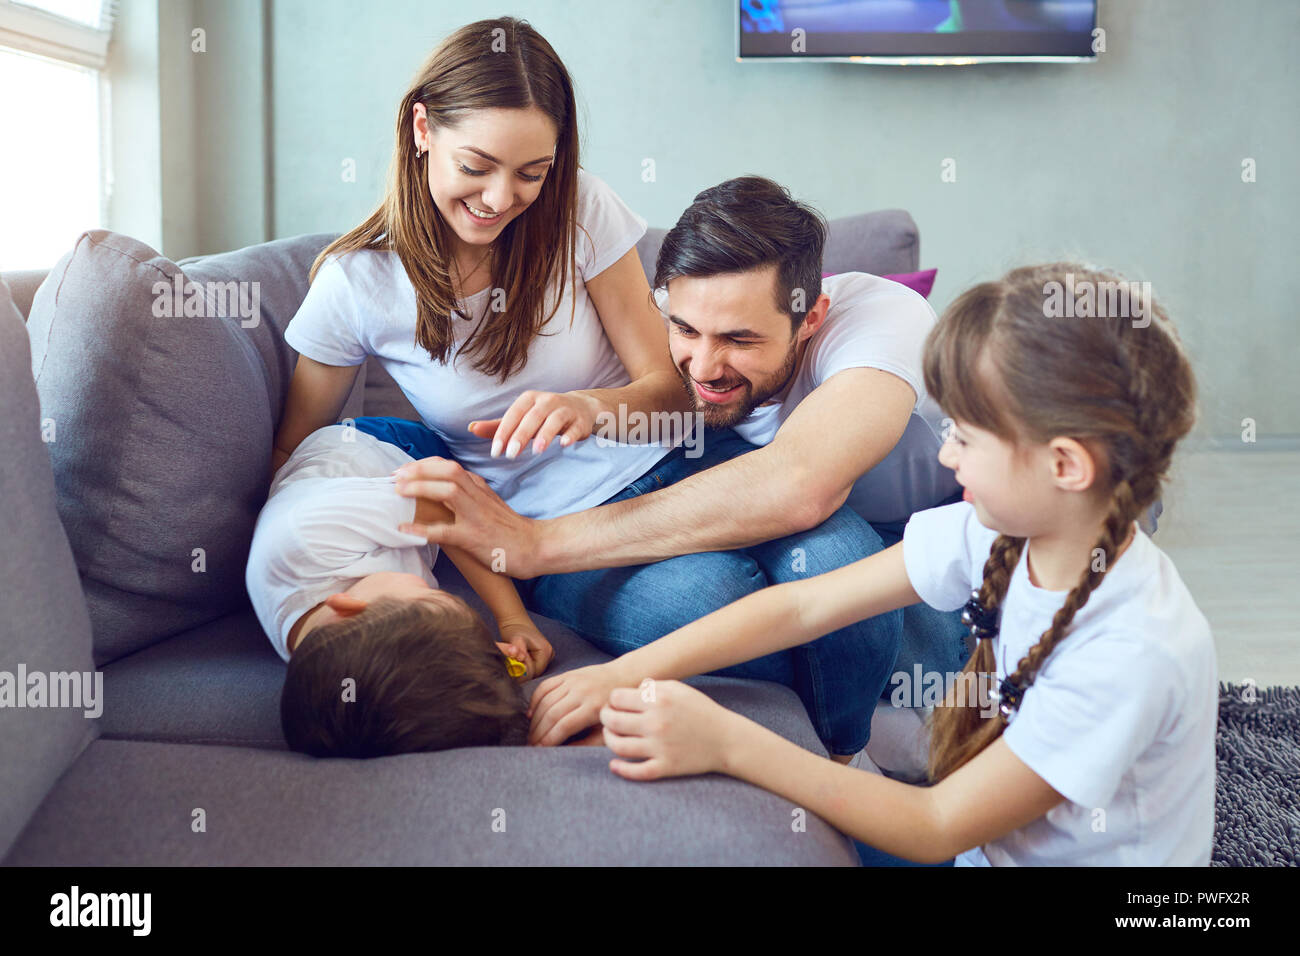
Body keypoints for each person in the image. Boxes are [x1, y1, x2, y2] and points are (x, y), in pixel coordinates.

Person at [548, 263, 1216, 866]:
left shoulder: (1131, 655)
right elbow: (801, 606)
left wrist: (725, 742)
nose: (947, 456)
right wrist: (624, 672)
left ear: (1065, 464)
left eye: (967, 437)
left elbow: (935, 824)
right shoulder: (1001, 533)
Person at [396, 176, 966, 761]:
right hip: (789, 533)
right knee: (743, 598)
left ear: (811, 316)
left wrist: (536, 544)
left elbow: (798, 485)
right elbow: (666, 404)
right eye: (685, 329)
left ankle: (858, 756)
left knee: (870, 608)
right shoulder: (685, 348)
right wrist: (592, 409)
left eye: (740, 340)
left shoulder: (882, 320)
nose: (704, 366)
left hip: (941, 552)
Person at [270, 15, 693, 680]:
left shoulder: (580, 206)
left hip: (672, 471)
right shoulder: (358, 284)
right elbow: (293, 449)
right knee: (712, 603)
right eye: (477, 166)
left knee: (834, 562)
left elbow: (671, 392)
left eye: (533, 172)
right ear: (421, 131)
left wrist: (589, 408)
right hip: (551, 531)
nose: (502, 199)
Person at [247, 421, 543, 758]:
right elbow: (417, 672)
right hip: (392, 514)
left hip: (388, 448)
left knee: (492, 468)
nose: (443, 592)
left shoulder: (304, 536)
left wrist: (513, 619)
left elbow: (449, 513)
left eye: (434, 595)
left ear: (347, 606)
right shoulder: (333, 661)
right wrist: (478, 662)